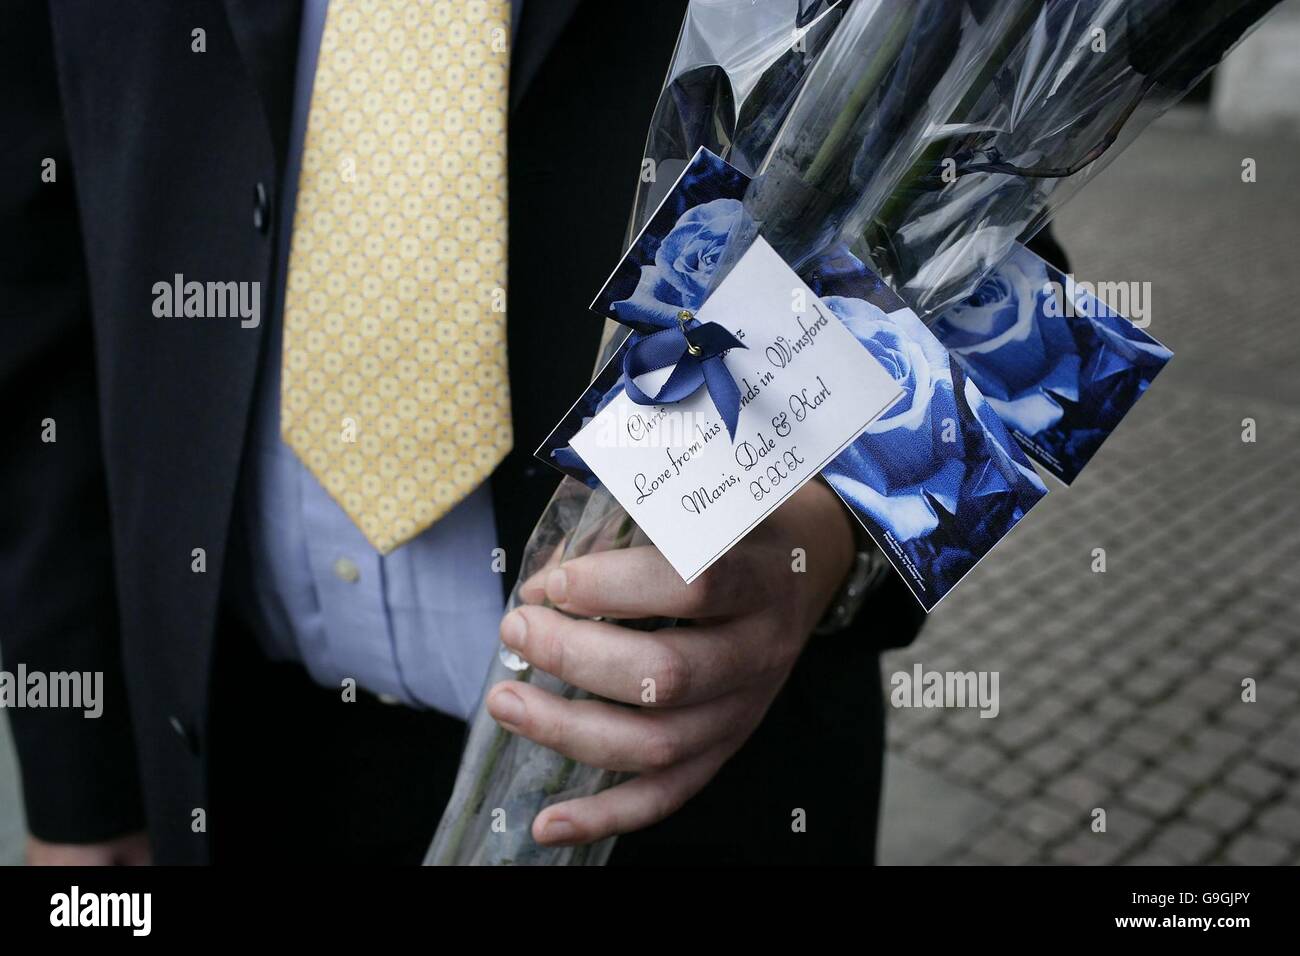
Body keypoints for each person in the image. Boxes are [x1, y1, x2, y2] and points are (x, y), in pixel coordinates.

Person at [0, 0, 940, 866]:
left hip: (684, 783)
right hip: (224, 759)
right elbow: (38, 281)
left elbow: (989, 248)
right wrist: (79, 785)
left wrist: (830, 538)